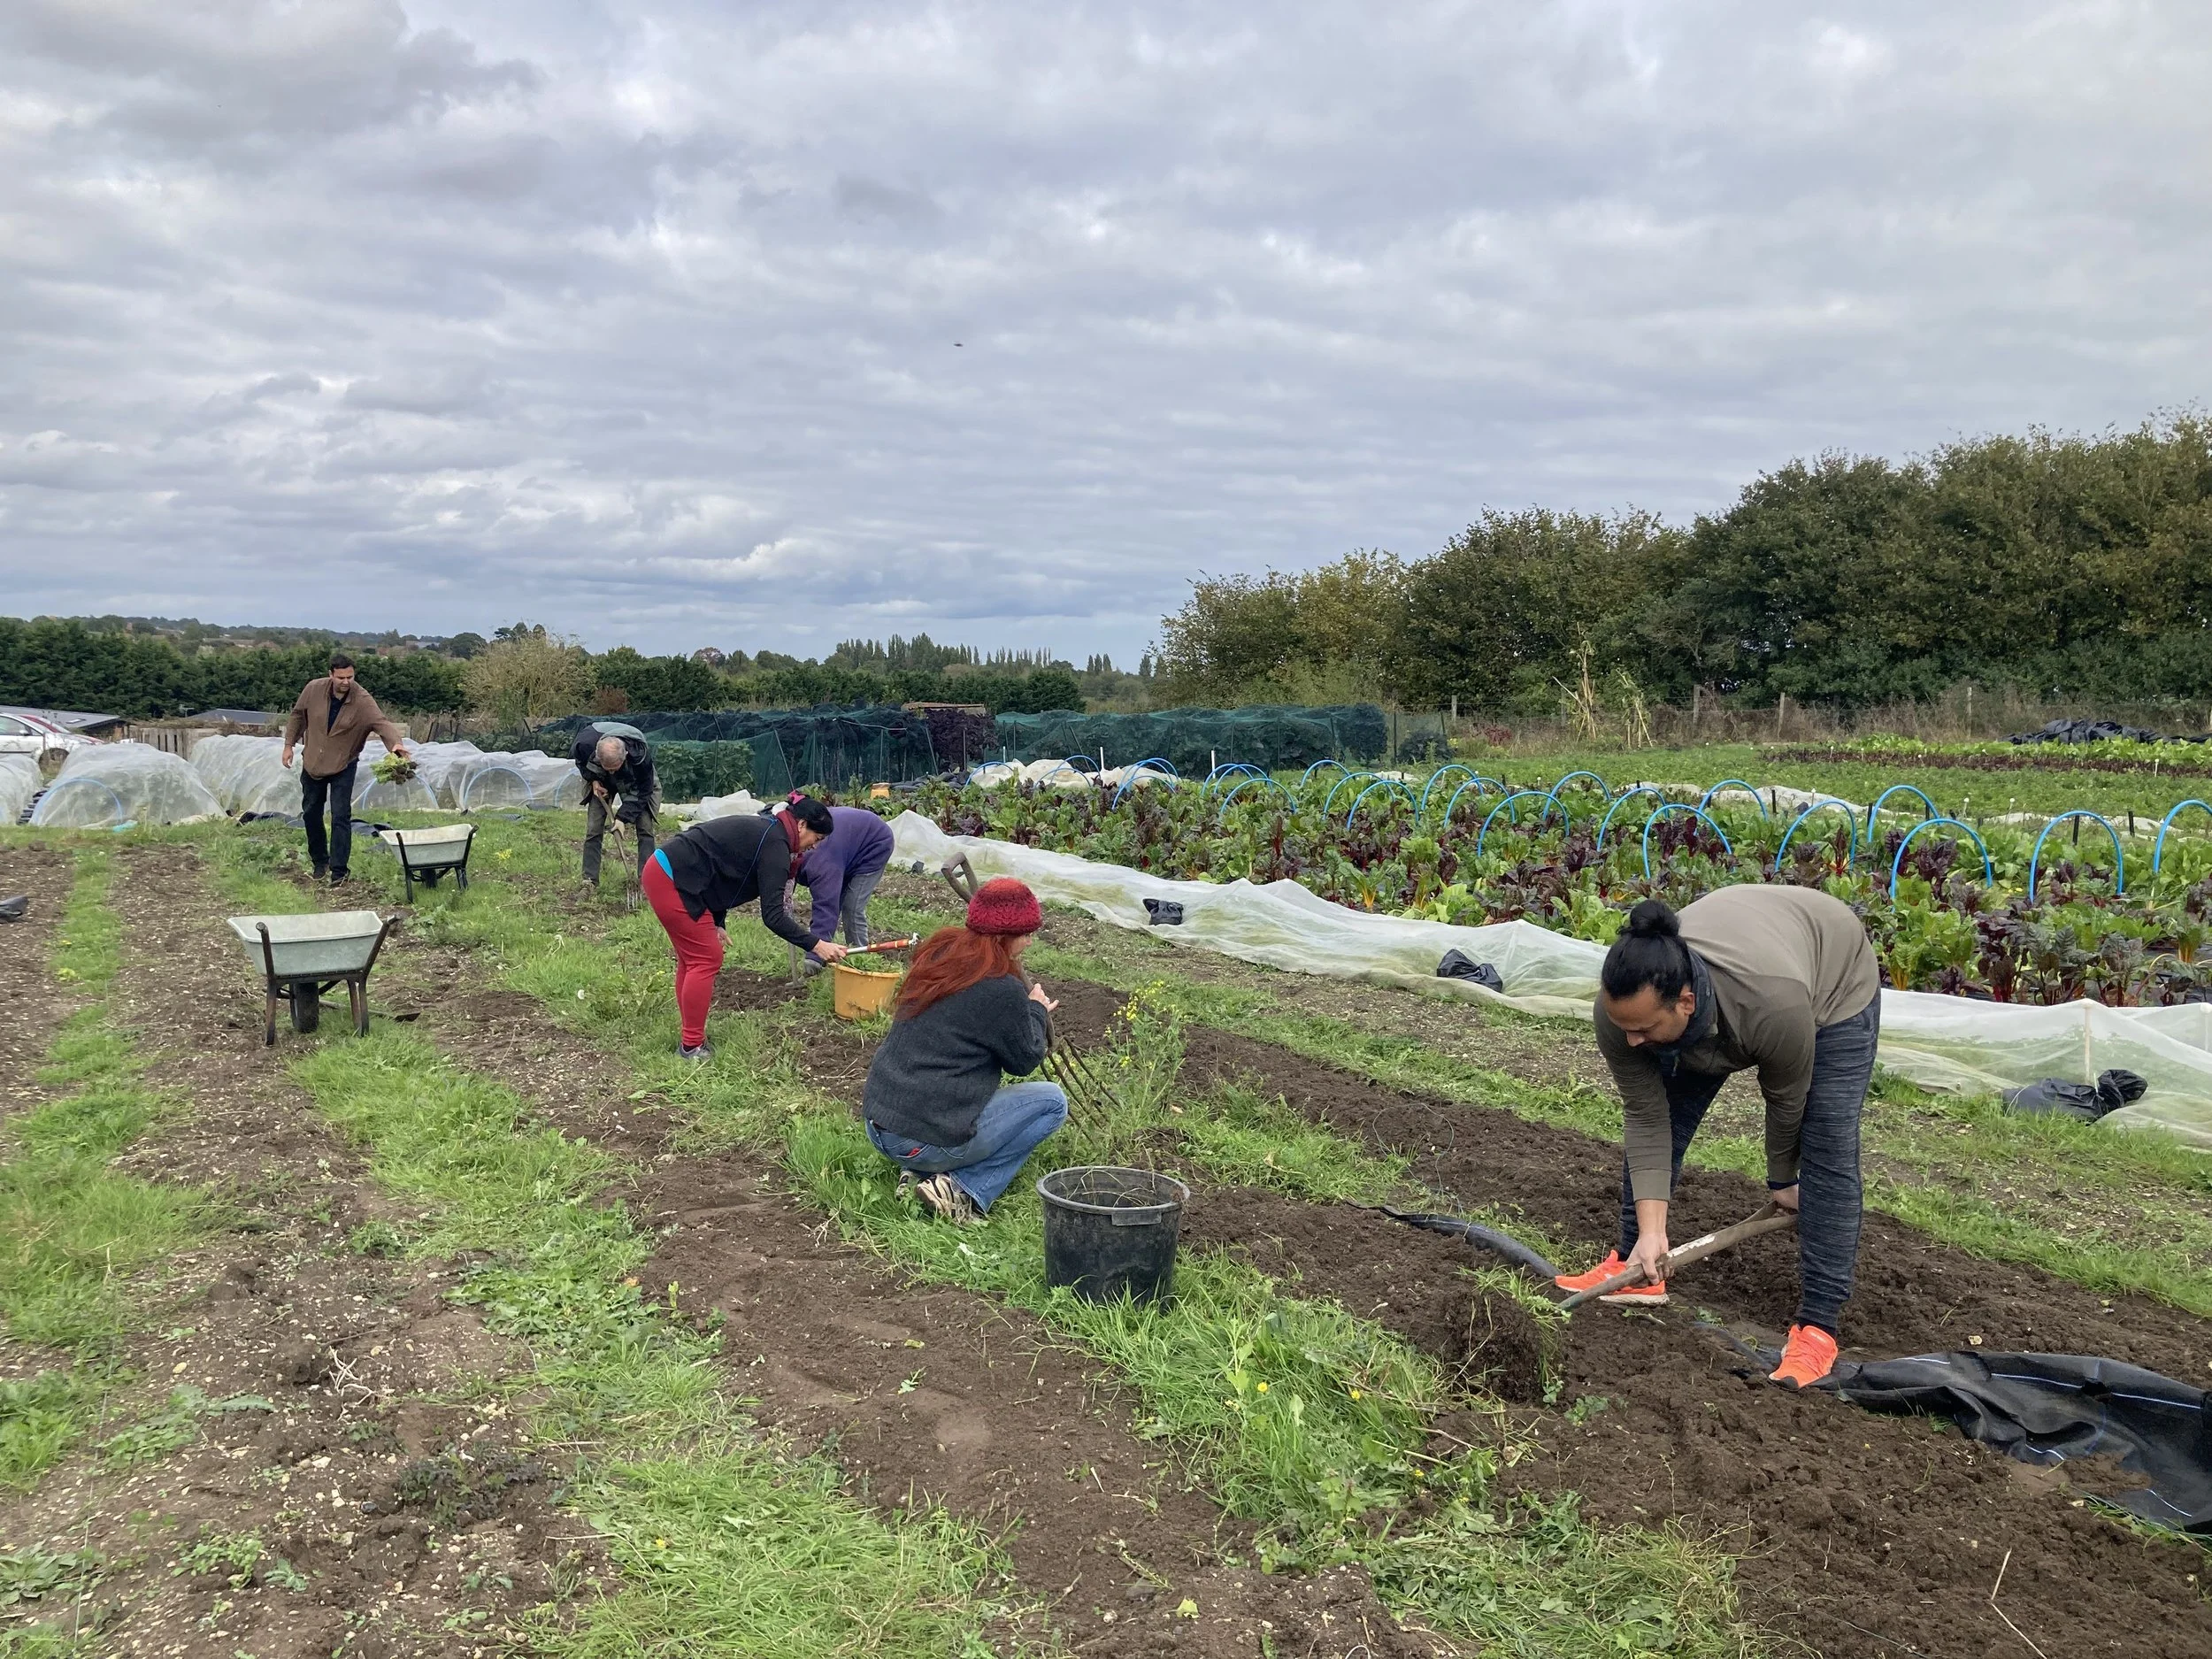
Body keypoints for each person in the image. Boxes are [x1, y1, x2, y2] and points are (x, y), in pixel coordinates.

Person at [1555, 888, 1880, 1388]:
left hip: (1829, 981)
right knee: (1670, 1110)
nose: (1631, 1041)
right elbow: (1647, 1118)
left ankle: (1817, 1328)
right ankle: (1636, 1265)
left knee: (1828, 1143)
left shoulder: (1773, 1006)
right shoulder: (1621, 1018)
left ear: (1685, 1002)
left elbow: (1788, 1101)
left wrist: (1783, 1180)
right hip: (1732, 991)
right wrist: (1651, 1233)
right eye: (1625, 1028)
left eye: (1642, 1029)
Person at [860, 877, 1069, 1225]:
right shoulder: (1000, 990)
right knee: (1051, 1102)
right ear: (1005, 937)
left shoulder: (938, 954)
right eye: (1027, 933)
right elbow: (1024, 1060)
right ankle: (962, 1191)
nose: (1031, 941)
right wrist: (1034, 1010)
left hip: (880, 1124)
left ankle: (916, 1173)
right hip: (921, 1139)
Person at [642, 794, 849, 1060]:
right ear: (801, 825)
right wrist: (817, 944)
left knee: (695, 958)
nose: (814, 847)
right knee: (705, 958)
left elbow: (721, 868)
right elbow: (773, 916)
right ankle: (691, 1046)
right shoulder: (775, 846)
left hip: (671, 871)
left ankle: (691, 1036)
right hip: (672, 877)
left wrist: (717, 922)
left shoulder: (772, 832)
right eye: (816, 839)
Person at [280, 654, 411, 887]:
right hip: (313, 762)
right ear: (331, 674)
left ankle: (339, 872)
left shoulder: (362, 699)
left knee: (341, 816)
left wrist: (396, 745)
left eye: (350, 677)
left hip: (344, 764)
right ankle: (320, 862)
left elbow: (381, 723)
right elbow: (298, 715)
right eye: (341, 677)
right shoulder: (313, 689)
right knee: (311, 812)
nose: (345, 682)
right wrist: (289, 745)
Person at [795, 803, 896, 972]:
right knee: (836, 894)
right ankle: (828, 951)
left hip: (873, 843)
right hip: (847, 843)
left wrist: (814, 957)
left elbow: (826, 905)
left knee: (852, 906)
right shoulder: (789, 850)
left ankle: (860, 959)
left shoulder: (821, 863)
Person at [571, 719, 658, 888]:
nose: (612, 772)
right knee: (593, 829)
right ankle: (589, 881)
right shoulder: (585, 745)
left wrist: (622, 819)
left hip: (634, 780)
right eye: (608, 768)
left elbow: (644, 791)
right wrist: (594, 779)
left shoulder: (640, 756)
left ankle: (646, 881)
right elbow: (582, 763)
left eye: (614, 768)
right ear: (598, 756)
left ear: (624, 755)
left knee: (645, 827)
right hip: (600, 779)